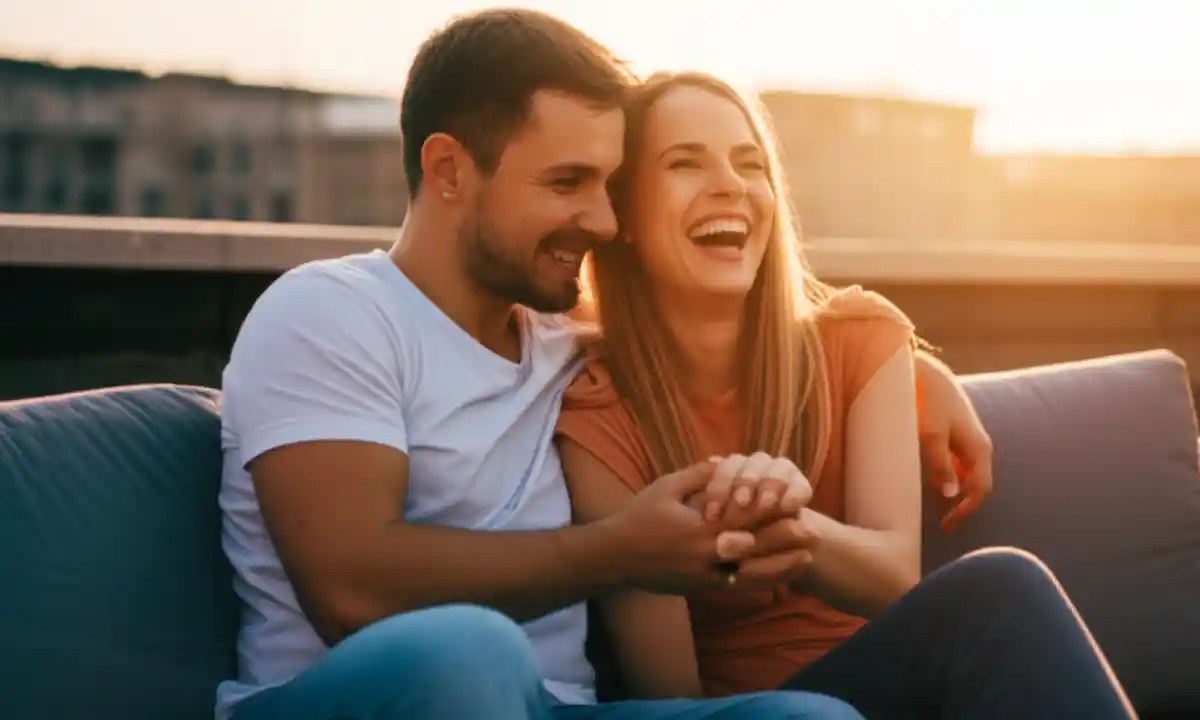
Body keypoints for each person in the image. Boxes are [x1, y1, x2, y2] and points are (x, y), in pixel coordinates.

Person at [215, 8, 992, 720]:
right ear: (449, 170)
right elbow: (351, 589)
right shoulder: (330, 313)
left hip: (565, 712)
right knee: (469, 652)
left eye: (610, 185)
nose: (603, 219)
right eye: (568, 183)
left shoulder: (565, 347)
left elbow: (735, 332)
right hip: (354, 701)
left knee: (809, 719)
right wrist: (616, 551)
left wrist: (916, 368)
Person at [554, 72, 1137, 719]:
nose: (729, 185)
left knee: (1005, 586)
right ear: (625, 215)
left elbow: (894, 578)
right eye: (684, 163)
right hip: (754, 712)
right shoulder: (597, 412)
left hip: (895, 685)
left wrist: (787, 522)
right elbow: (667, 694)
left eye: (750, 165)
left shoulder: (861, 342)